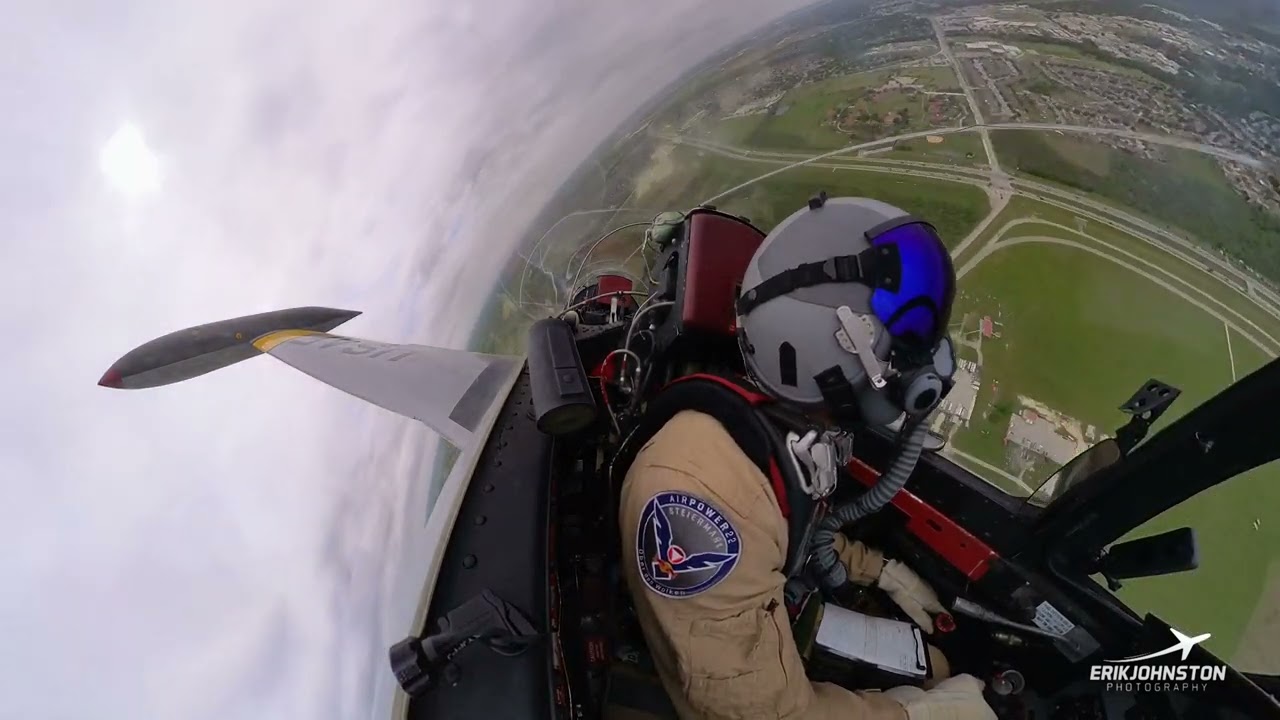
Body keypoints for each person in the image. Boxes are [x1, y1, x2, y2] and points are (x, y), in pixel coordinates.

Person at [617, 198, 998, 720]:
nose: (926, 360)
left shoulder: (798, 421)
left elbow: (789, 521)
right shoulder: (699, 496)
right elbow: (754, 713)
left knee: (936, 668)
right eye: (902, 342)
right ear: (832, 354)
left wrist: (878, 570)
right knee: (939, 675)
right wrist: (914, 716)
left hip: (769, 607)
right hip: (726, 682)